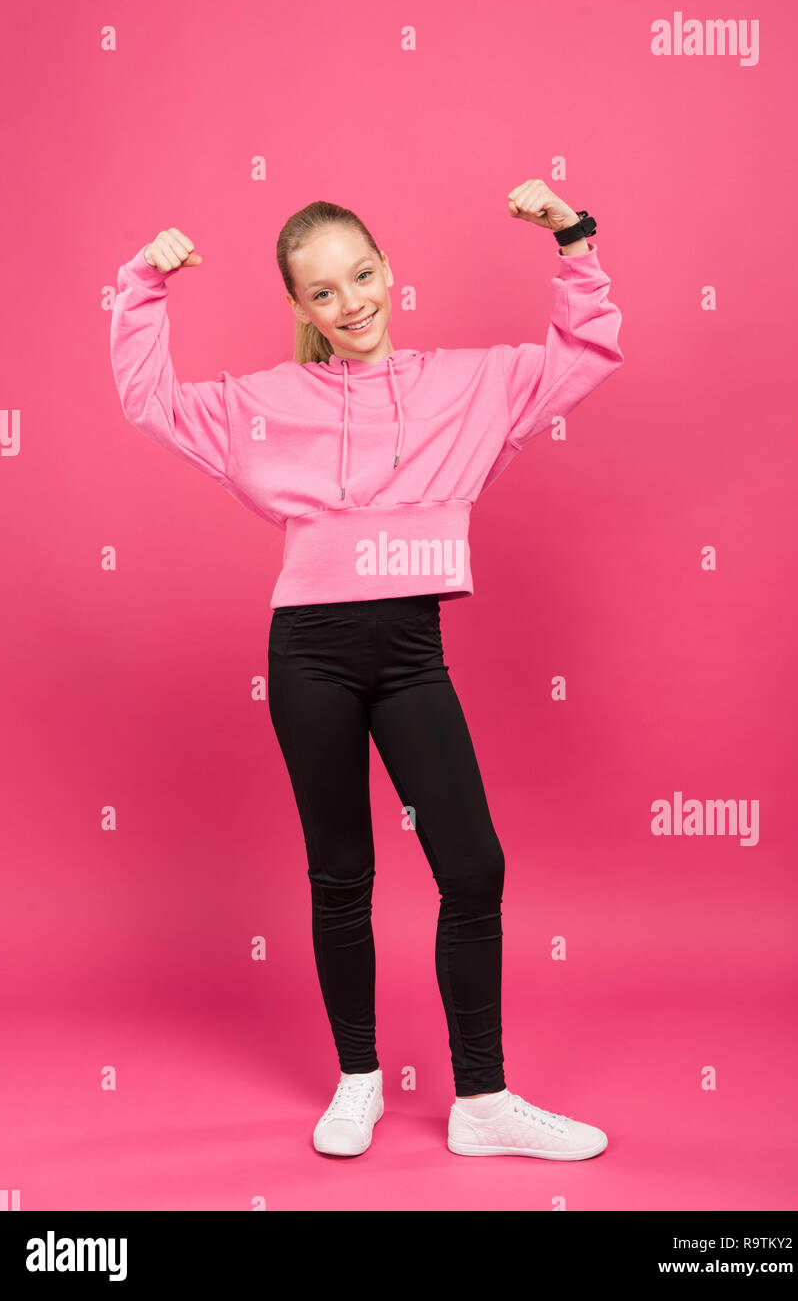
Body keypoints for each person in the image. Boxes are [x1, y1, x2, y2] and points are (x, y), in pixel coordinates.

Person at [109, 182, 624, 1160]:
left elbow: (585, 354)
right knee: (341, 871)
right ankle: (359, 1081)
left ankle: (483, 1099)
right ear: (301, 309)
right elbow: (151, 403)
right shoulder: (266, 403)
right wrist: (142, 289)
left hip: (410, 652)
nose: (349, 303)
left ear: (389, 274)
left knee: (472, 866)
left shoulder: (469, 385)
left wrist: (572, 238)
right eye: (322, 293)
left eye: (360, 277)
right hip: (310, 652)